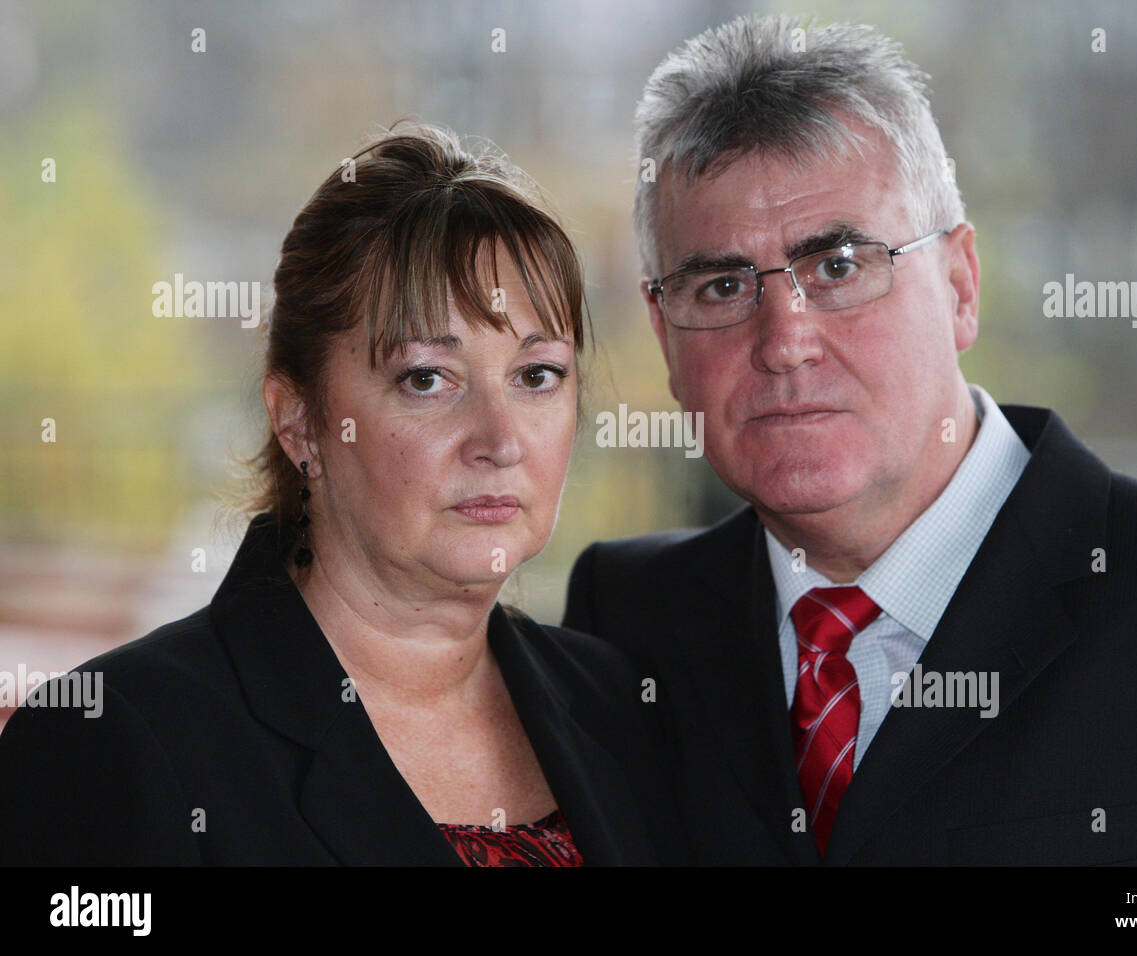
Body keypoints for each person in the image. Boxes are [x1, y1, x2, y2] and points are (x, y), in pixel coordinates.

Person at [562, 16, 1137, 865]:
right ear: (664, 337)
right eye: (722, 285)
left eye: (838, 266)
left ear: (959, 285)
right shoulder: (626, 624)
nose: (783, 340)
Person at [0, 123, 679, 866]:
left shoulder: (627, 709)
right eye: (426, 379)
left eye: (536, 375)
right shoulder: (117, 742)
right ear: (300, 421)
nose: (501, 439)